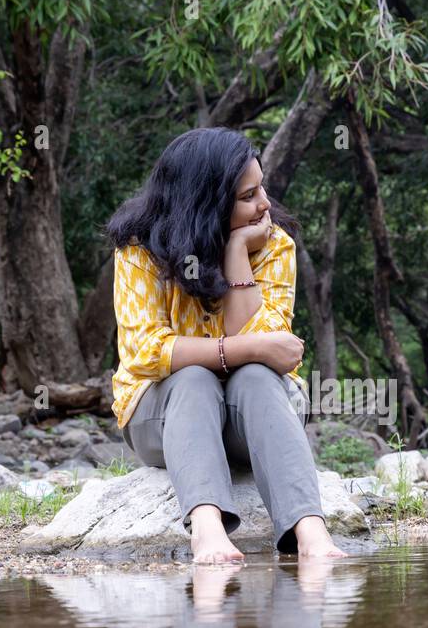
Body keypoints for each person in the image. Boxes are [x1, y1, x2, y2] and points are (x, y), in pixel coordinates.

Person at [106, 126, 346, 564]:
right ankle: (207, 529)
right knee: (194, 379)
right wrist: (238, 353)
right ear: (207, 204)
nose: (265, 204)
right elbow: (146, 351)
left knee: (254, 376)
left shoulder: (273, 246)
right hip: (161, 417)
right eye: (248, 196)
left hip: (253, 414)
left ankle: (309, 532)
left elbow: (258, 345)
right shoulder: (139, 251)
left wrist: (237, 251)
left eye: (262, 188)